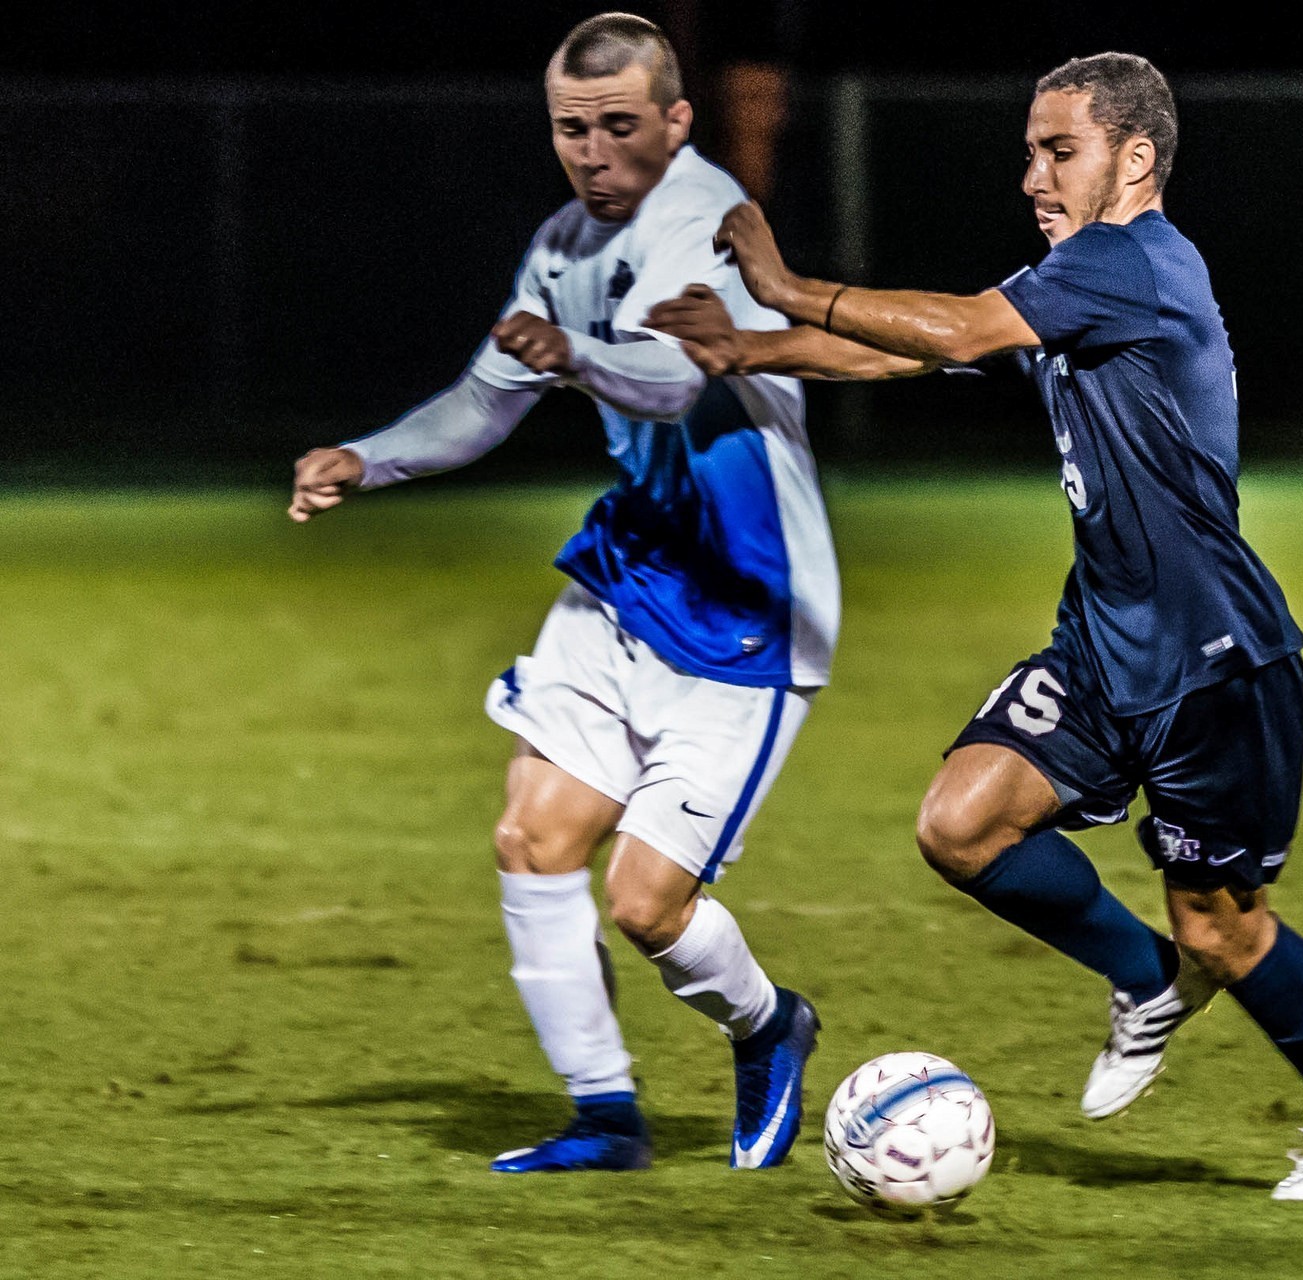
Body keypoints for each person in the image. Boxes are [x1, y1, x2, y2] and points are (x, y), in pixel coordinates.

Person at [648, 51, 1303, 1204]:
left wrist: (788, 288)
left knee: (1222, 931)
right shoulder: (1079, 277)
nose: (1033, 176)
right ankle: (1140, 980)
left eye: (1060, 151)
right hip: (1105, 641)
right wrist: (757, 349)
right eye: (1029, 153)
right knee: (961, 823)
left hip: (1211, 659)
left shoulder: (1136, 263)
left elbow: (955, 331)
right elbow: (918, 344)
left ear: (1134, 158)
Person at [288, 12, 834, 1175]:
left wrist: (577, 359)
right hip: (626, 577)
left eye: (619, 127)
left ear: (675, 122)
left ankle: (769, 1023)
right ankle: (604, 1116)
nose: (592, 152)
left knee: (646, 902)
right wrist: (364, 457)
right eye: (571, 129)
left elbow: (677, 381)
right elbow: (481, 405)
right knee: (532, 834)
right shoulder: (559, 244)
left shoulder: (708, 221)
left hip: (747, 610)